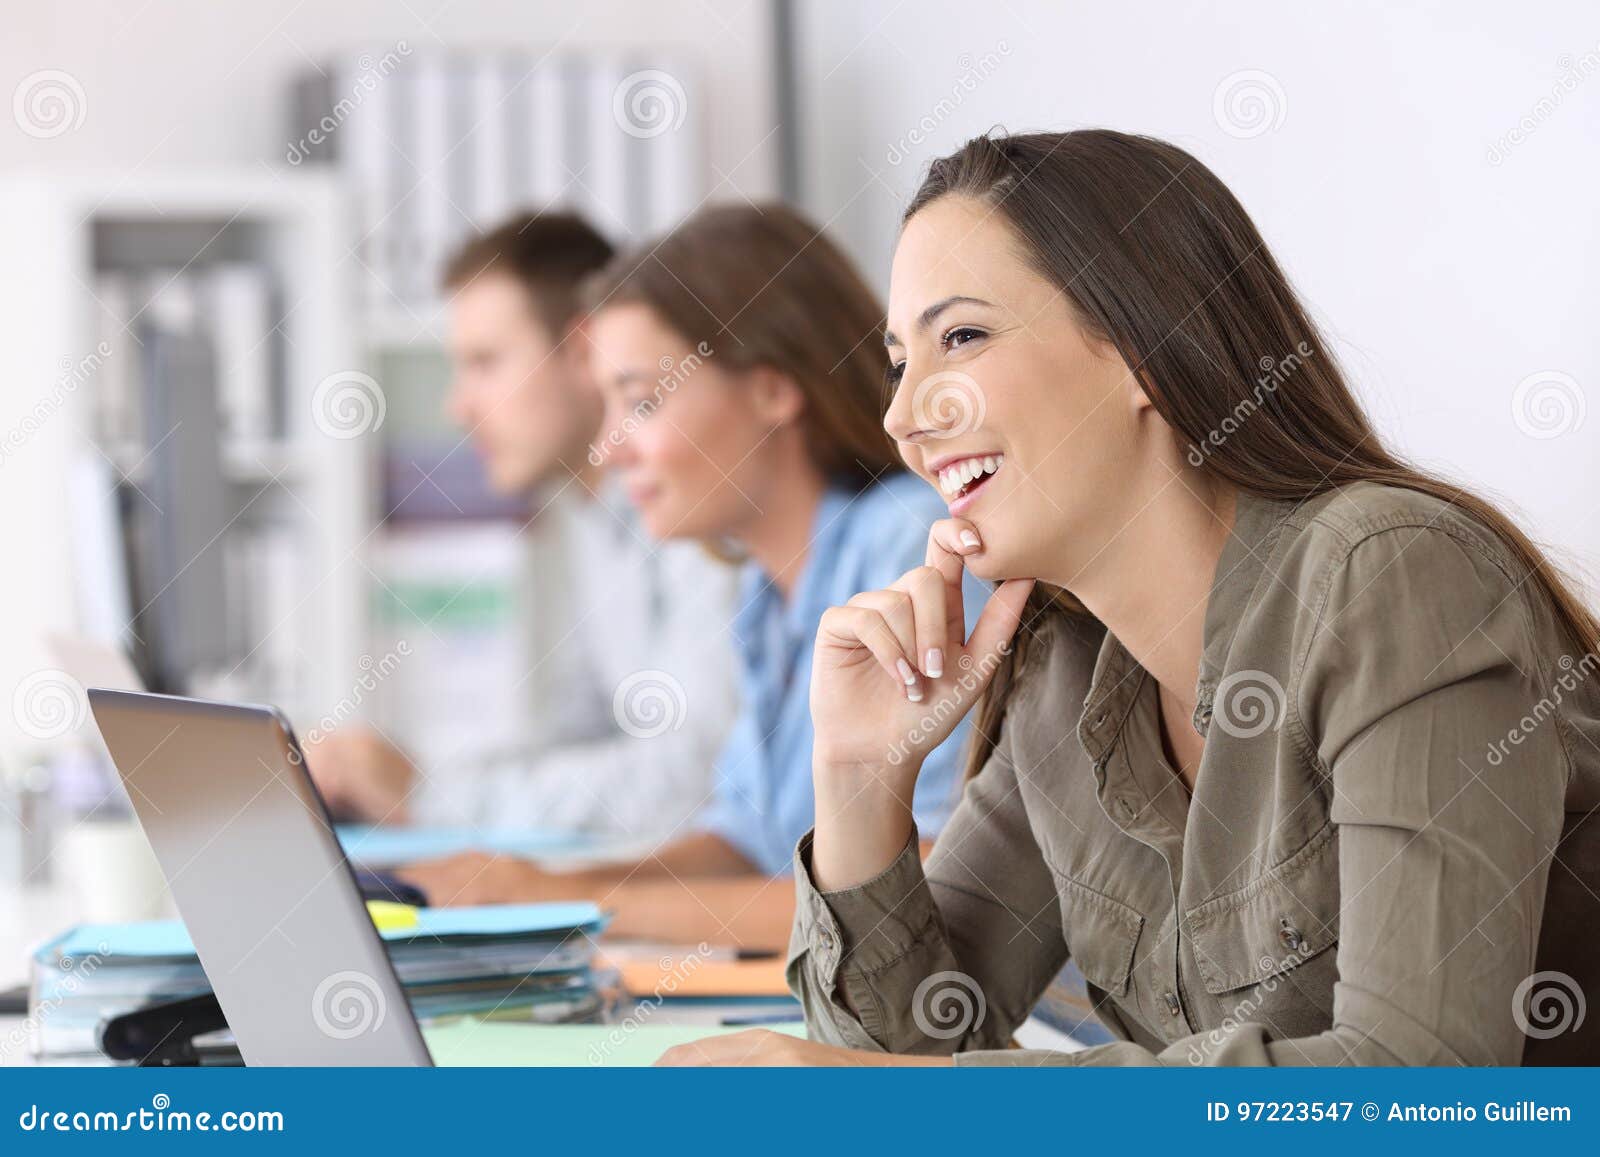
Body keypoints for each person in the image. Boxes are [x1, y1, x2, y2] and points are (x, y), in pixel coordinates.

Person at [660, 129, 1600, 1066]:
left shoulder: (1393, 576)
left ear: (1142, 353)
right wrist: (860, 779)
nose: (903, 417)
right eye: (901, 363)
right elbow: (911, 1045)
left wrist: (912, 1098)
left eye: (963, 337)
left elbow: (1417, 1092)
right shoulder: (1063, 671)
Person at [397, 204, 989, 950]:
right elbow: (743, 842)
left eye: (643, 401)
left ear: (773, 388)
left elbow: (931, 884)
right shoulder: (760, 591)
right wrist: (531, 887)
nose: (611, 450)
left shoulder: (909, 546)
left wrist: (573, 899)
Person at [308, 212, 739, 842]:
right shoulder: (584, 518)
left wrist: (431, 798)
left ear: (583, 351)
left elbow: (694, 777)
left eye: (485, 363)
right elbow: (575, 737)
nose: (458, 406)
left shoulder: (694, 507)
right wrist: (409, 779)